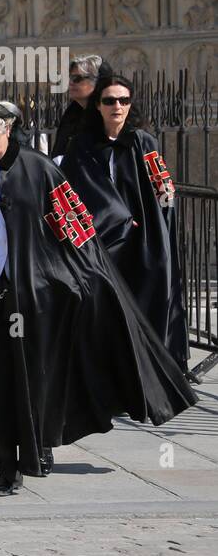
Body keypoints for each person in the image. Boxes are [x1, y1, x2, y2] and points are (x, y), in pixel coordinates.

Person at [0, 100, 195, 496]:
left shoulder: (40, 169)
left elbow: (76, 229)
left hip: (32, 292)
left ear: (8, 131)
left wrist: (88, 278)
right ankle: (5, 461)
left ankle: (38, 442)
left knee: (36, 374)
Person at [60, 74, 189, 372]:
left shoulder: (144, 143)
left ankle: (148, 367)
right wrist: (112, 218)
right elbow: (71, 189)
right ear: (98, 106)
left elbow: (163, 189)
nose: (117, 106)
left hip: (143, 236)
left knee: (148, 294)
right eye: (109, 101)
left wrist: (159, 220)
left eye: (123, 100)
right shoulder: (82, 145)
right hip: (101, 238)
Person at [50, 54, 104, 161]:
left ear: (96, 81)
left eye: (77, 79)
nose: (70, 83)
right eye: (70, 78)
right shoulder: (71, 114)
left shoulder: (106, 115)